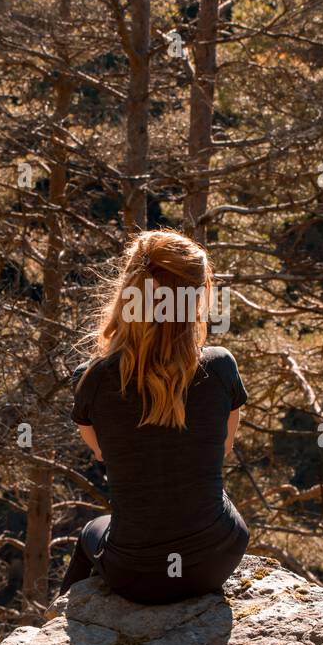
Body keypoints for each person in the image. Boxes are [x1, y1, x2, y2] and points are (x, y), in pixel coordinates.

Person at [59, 229, 250, 605]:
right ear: (197, 298)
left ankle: (57, 636)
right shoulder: (221, 366)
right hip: (217, 556)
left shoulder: (92, 379)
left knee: (91, 533)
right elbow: (221, 449)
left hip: (136, 573)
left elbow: (103, 453)